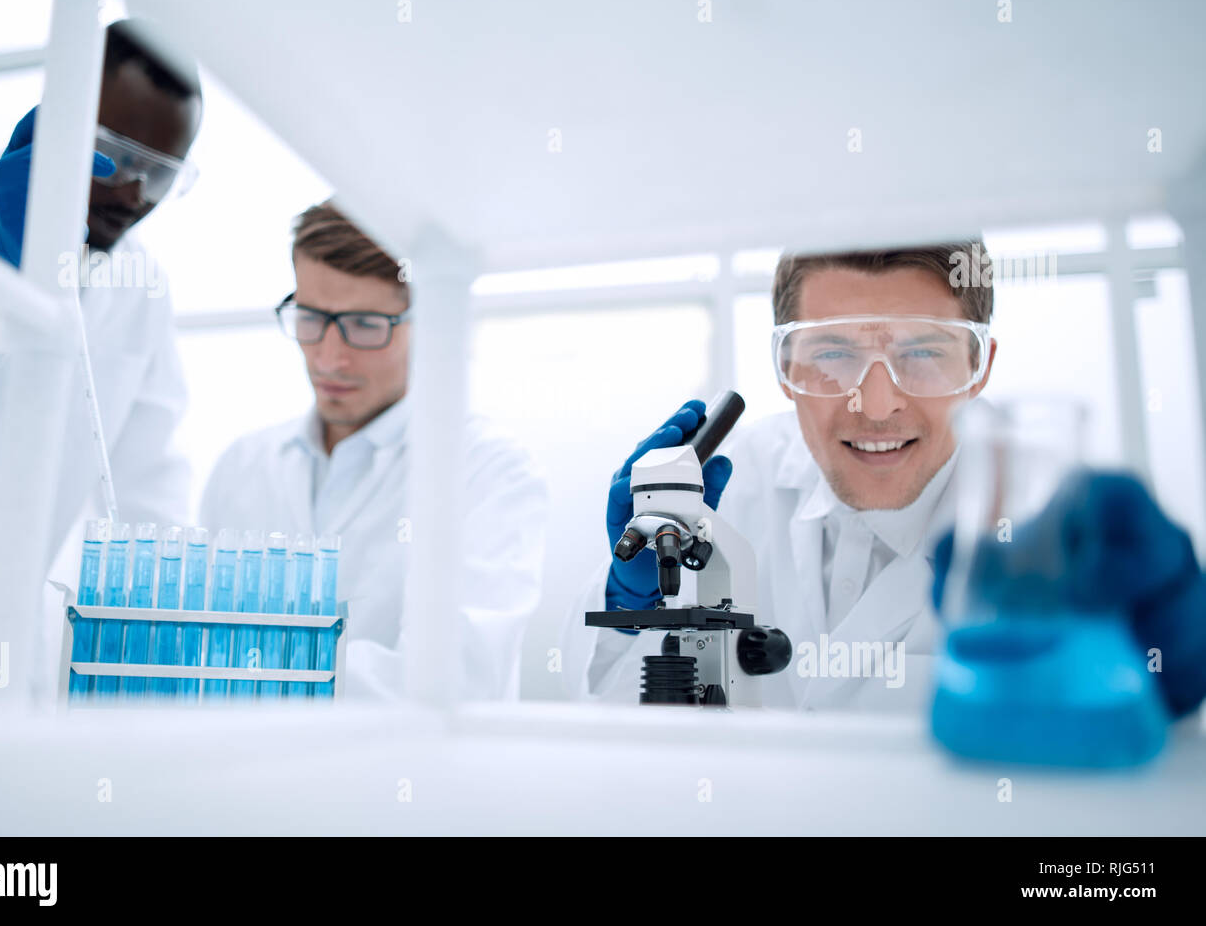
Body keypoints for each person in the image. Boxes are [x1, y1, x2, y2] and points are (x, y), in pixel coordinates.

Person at [566, 243, 1000, 711]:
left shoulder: (1038, 530)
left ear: (979, 366)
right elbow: (607, 706)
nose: (875, 406)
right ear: (785, 366)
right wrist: (631, 604)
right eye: (834, 353)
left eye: (922, 351)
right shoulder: (731, 482)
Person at [0, 19, 201, 706]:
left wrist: (168, 627)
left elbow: (148, 488)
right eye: (113, 156)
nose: (133, 195)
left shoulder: (141, 288)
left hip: (11, 664)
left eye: (158, 174)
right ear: (56, 118)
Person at [199, 201, 548, 701]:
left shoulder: (489, 469)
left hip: (410, 773)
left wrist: (243, 666)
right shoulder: (242, 465)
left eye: (364, 325)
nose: (329, 357)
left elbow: (456, 681)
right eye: (311, 317)